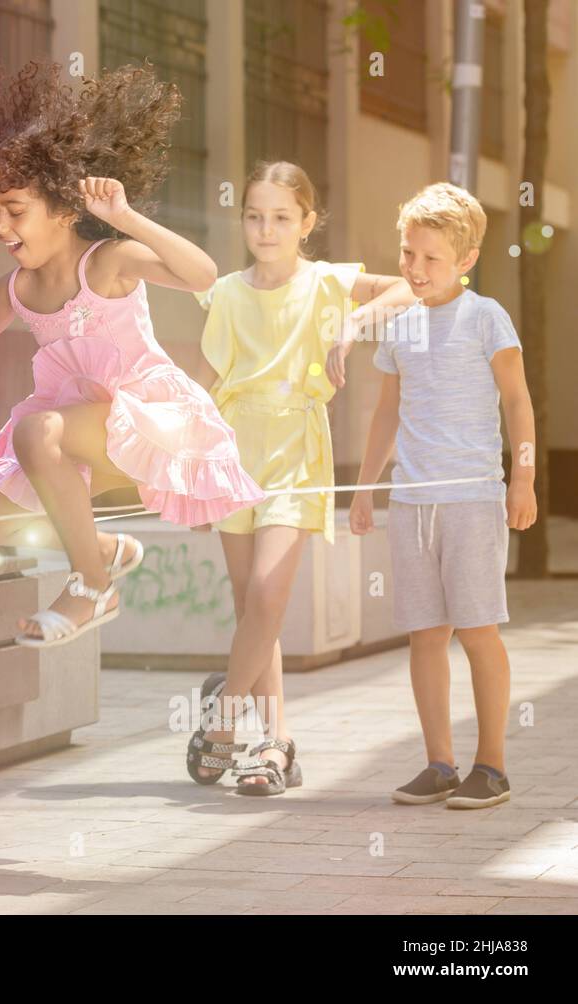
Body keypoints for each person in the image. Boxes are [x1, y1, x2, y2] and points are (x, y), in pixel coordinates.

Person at [0, 61, 263, 645]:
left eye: (15, 211)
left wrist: (127, 218)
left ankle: (91, 587)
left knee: (36, 432)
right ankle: (106, 551)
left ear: (64, 212)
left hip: (151, 422)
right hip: (88, 433)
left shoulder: (107, 262)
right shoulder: (17, 289)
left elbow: (202, 274)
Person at [187, 161, 417, 795]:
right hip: (231, 449)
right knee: (249, 609)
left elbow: (407, 288)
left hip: (296, 449)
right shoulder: (227, 291)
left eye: (282, 217)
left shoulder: (326, 282)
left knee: (266, 595)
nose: (267, 228)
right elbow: (206, 380)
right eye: (255, 216)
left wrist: (352, 322)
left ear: (307, 223)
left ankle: (226, 719)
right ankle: (275, 744)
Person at [348, 183, 536, 809]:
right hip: (411, 504)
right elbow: (385, 414)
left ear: (465, 258)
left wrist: (525, 477)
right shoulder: (400, 328)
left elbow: (517, 400)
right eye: (407, 254)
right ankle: (439, 763)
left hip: (473, 502)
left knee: (478, 631)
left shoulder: (487, 318)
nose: (414, 268)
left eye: (430, 258)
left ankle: (494, 767)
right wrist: (368, 487)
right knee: (425, 634)